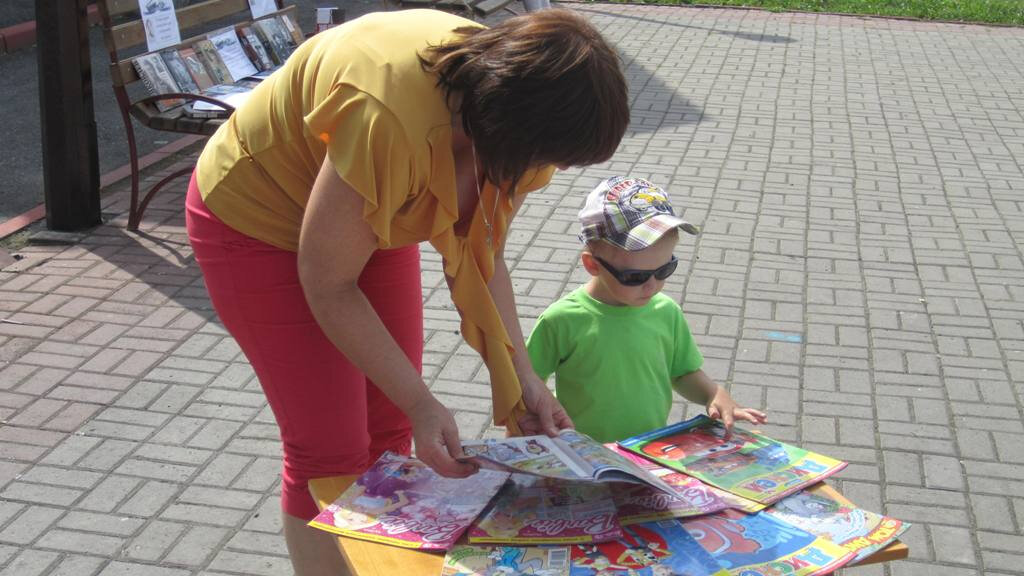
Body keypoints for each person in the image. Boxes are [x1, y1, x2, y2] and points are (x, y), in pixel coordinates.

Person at [184, 8, 629, 576]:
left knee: (392, 431)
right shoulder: (391, 117)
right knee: (329, 449)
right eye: (545, 158)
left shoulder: (501, 115)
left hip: (369, 206)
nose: (548, 172)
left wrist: (525, 379)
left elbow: (483, 256)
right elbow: (329, 284)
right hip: (257, 219)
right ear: (506, 125)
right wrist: (424, 400)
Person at [526, 176, 767, 444]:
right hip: (583, 453)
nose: (652, 285)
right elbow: (527, 382)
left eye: (664, 269)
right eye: (635, 276)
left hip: (647, 450)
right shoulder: (561, 320)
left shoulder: (666, 312)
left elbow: (682, 371)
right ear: (593, 265)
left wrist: (713, 394)